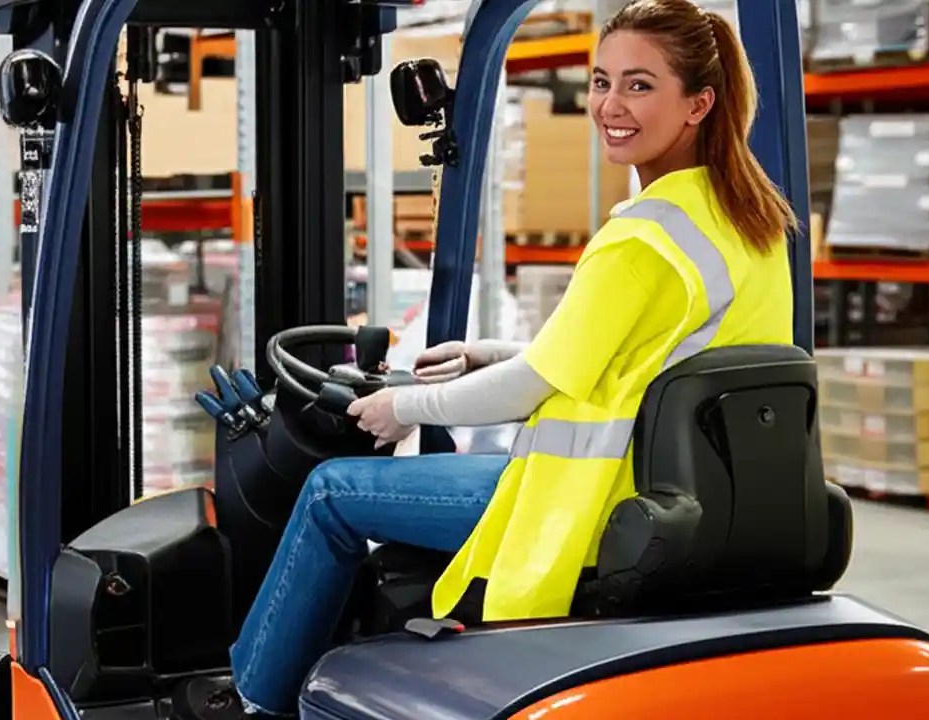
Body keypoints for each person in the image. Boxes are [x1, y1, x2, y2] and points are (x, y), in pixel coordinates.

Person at [182, 0, 796, 716]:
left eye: (639, 85)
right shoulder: (747, 219)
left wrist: (400, 407)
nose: (609, 105)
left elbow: (534, 385)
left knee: (330, 494)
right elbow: (635, 357)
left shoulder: (644, 238)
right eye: (601, 81)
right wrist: (485, 354)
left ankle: (253, 699)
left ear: (699, 102)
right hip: (680, 497)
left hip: (583, 504)